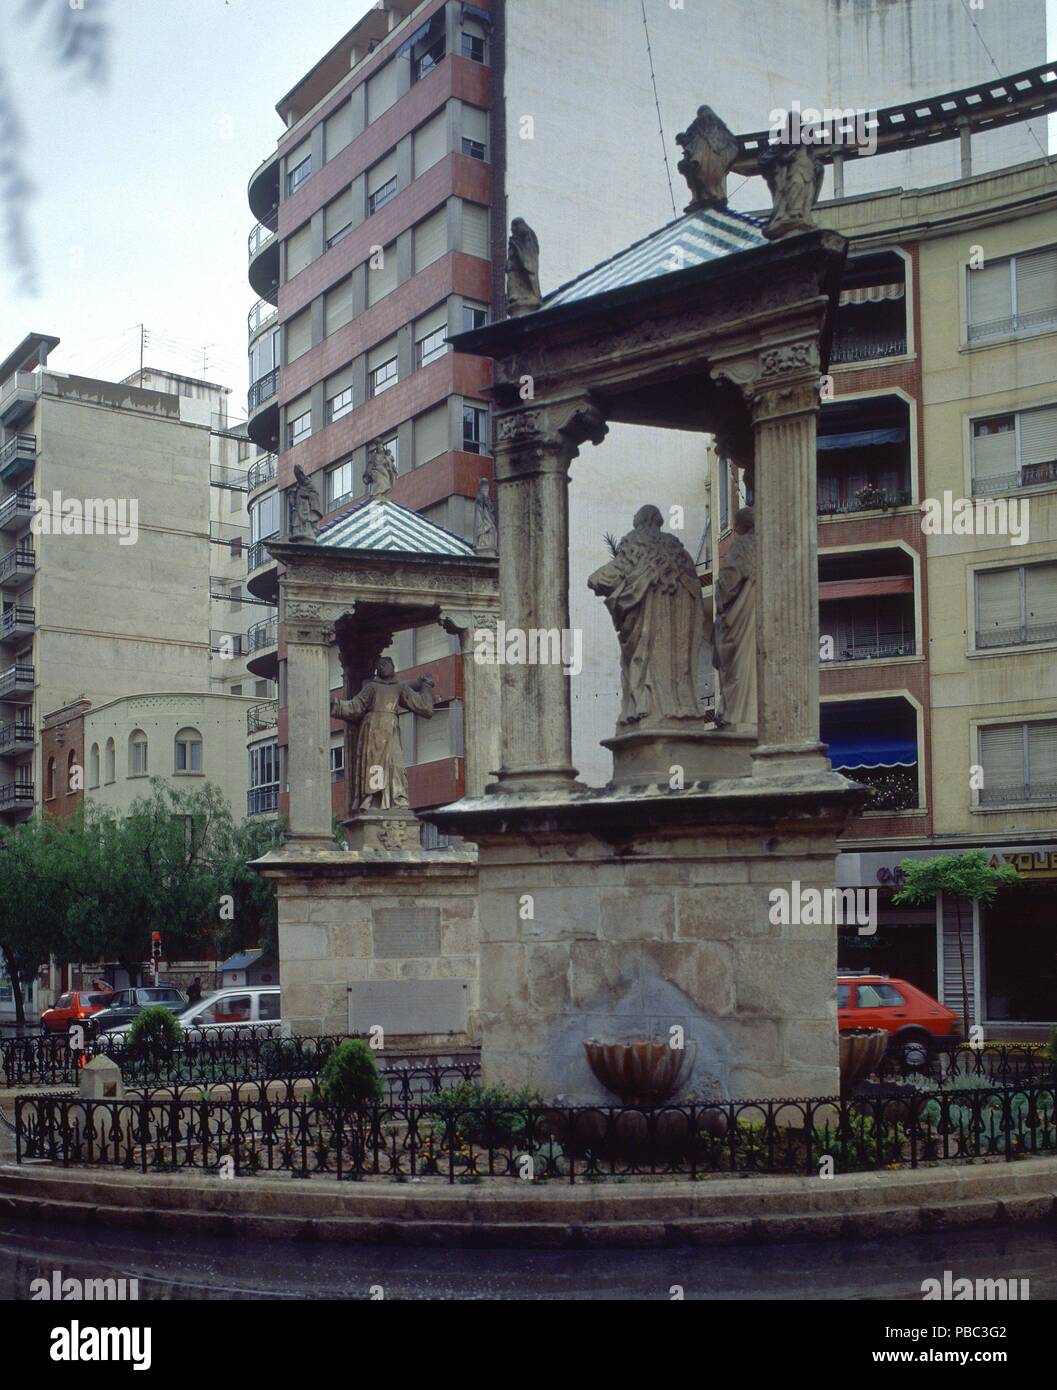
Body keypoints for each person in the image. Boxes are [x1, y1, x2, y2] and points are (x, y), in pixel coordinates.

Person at [587, 504, 707, 728]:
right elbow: (695, 590)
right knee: (672, 665)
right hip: (677, 627)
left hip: (649, 626)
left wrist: (609, 585)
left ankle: (647, 708)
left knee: (645, 662)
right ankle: (678, 709)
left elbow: (600, 579)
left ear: (639, 522)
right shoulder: (678, 551)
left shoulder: (636, 543)